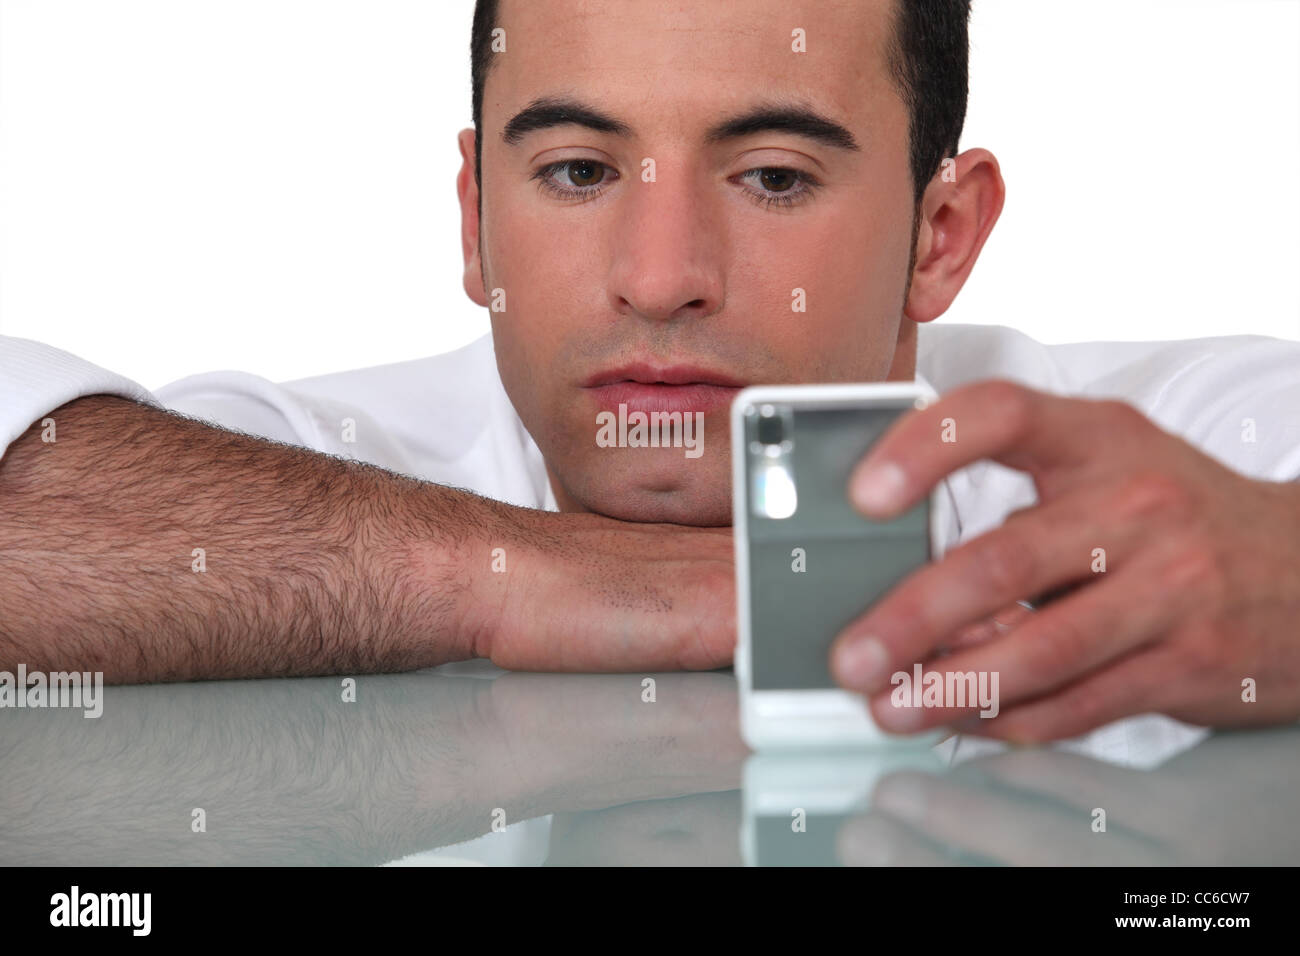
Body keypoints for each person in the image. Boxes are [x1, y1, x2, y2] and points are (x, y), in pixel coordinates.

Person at [2, 0, 1297, 763]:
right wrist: (525, 577)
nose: (660, 276)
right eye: (576, 171)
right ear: (475, 225)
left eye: (775, 176)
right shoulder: (328, 463)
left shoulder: (1169, 452)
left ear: (939, 236)